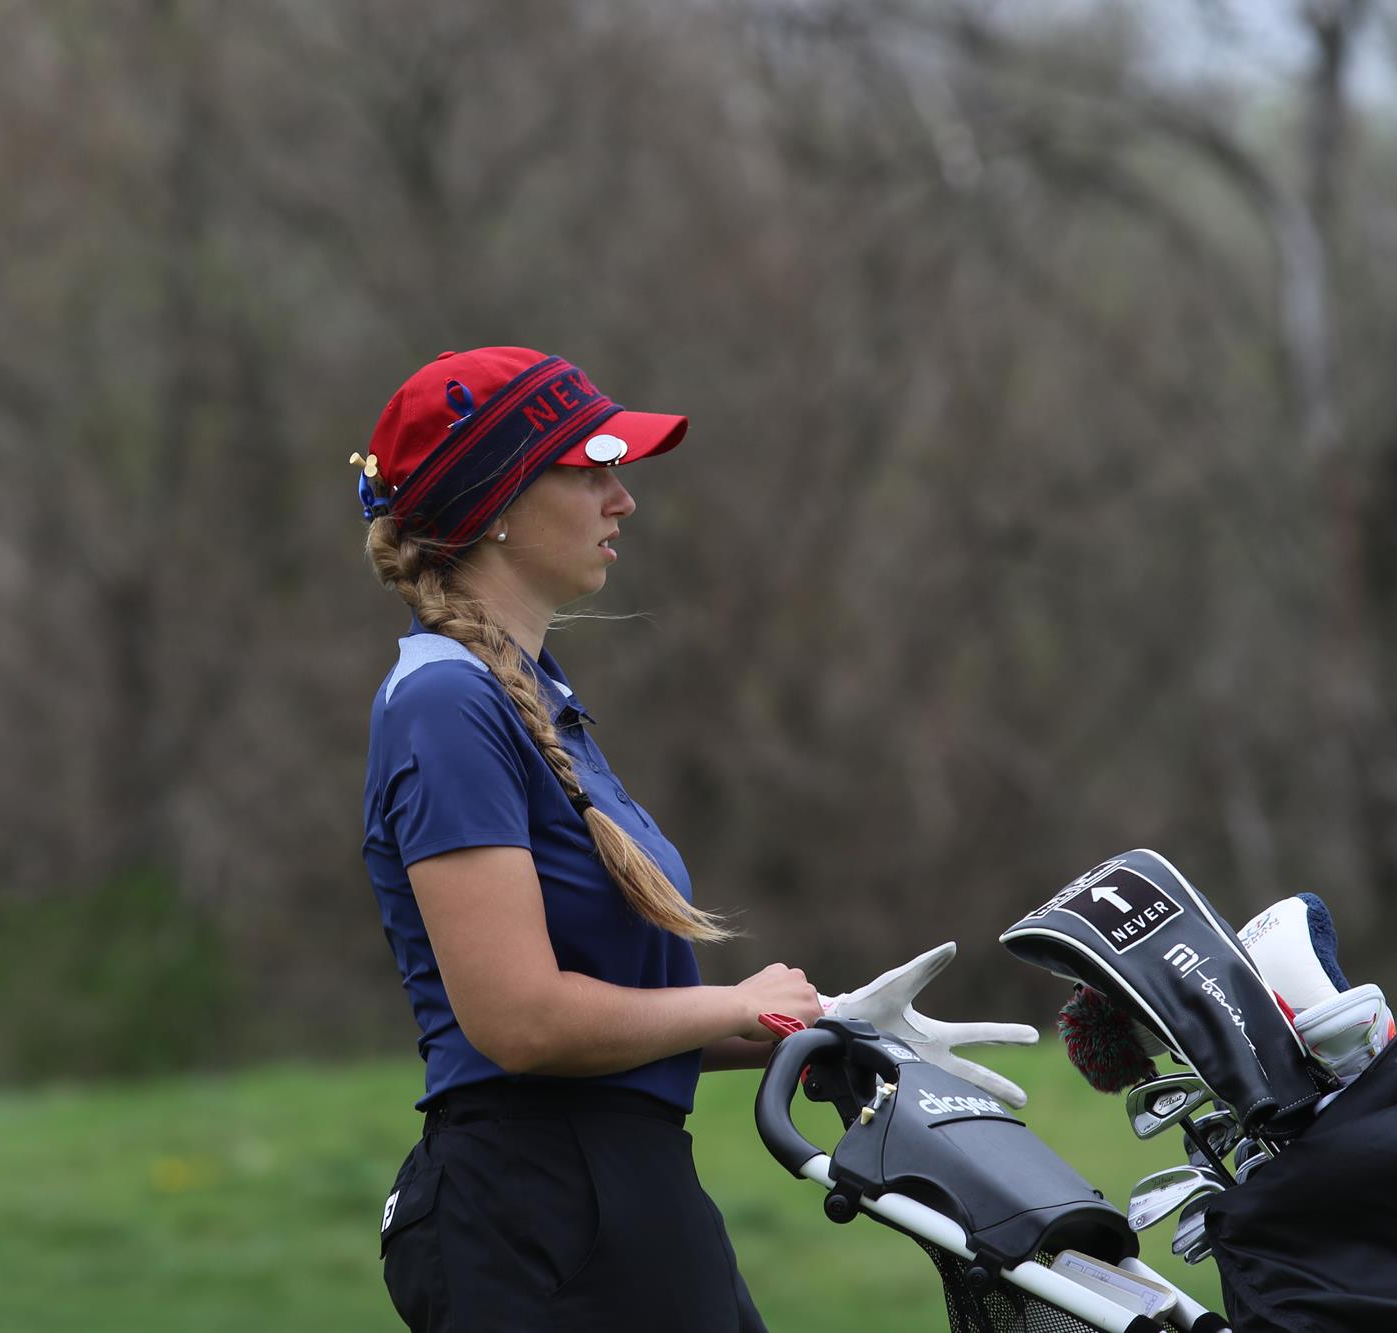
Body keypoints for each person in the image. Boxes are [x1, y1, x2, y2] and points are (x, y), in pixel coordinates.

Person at [356, 347, 1035, 1332]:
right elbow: (518, 1022)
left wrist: (827, 1024)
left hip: (627, 1195)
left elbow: (618, 1018)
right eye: (589, 468)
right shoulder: (443, 701)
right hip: (533, 1212)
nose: (620, 499)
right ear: (492, 500)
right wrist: (738, 1002)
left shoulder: (529, 700)